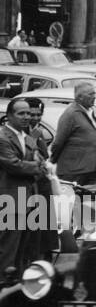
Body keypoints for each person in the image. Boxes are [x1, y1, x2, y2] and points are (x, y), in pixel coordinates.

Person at [0, 98, 52, 279]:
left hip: (30, 197)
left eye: (28, 113)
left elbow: (41, 161)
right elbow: (13, 164)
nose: (26, 117)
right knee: (8, 246)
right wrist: (37, 167)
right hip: (10, 198)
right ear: (9, 116)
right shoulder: (2, 137)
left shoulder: (29, 138)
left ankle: (19, 287)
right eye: (21, 113)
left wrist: (39, 166)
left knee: (25, 247)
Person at [49, 81, 96, 187]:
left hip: (90, 169)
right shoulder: (70, 114)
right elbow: (58, 142)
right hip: (73, 171)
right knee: (71, 201)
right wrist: (52, 161)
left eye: (94, 93)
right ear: (80, 97)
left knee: (92, 202)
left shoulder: (89, 111)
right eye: (91, 94)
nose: (94, 97)